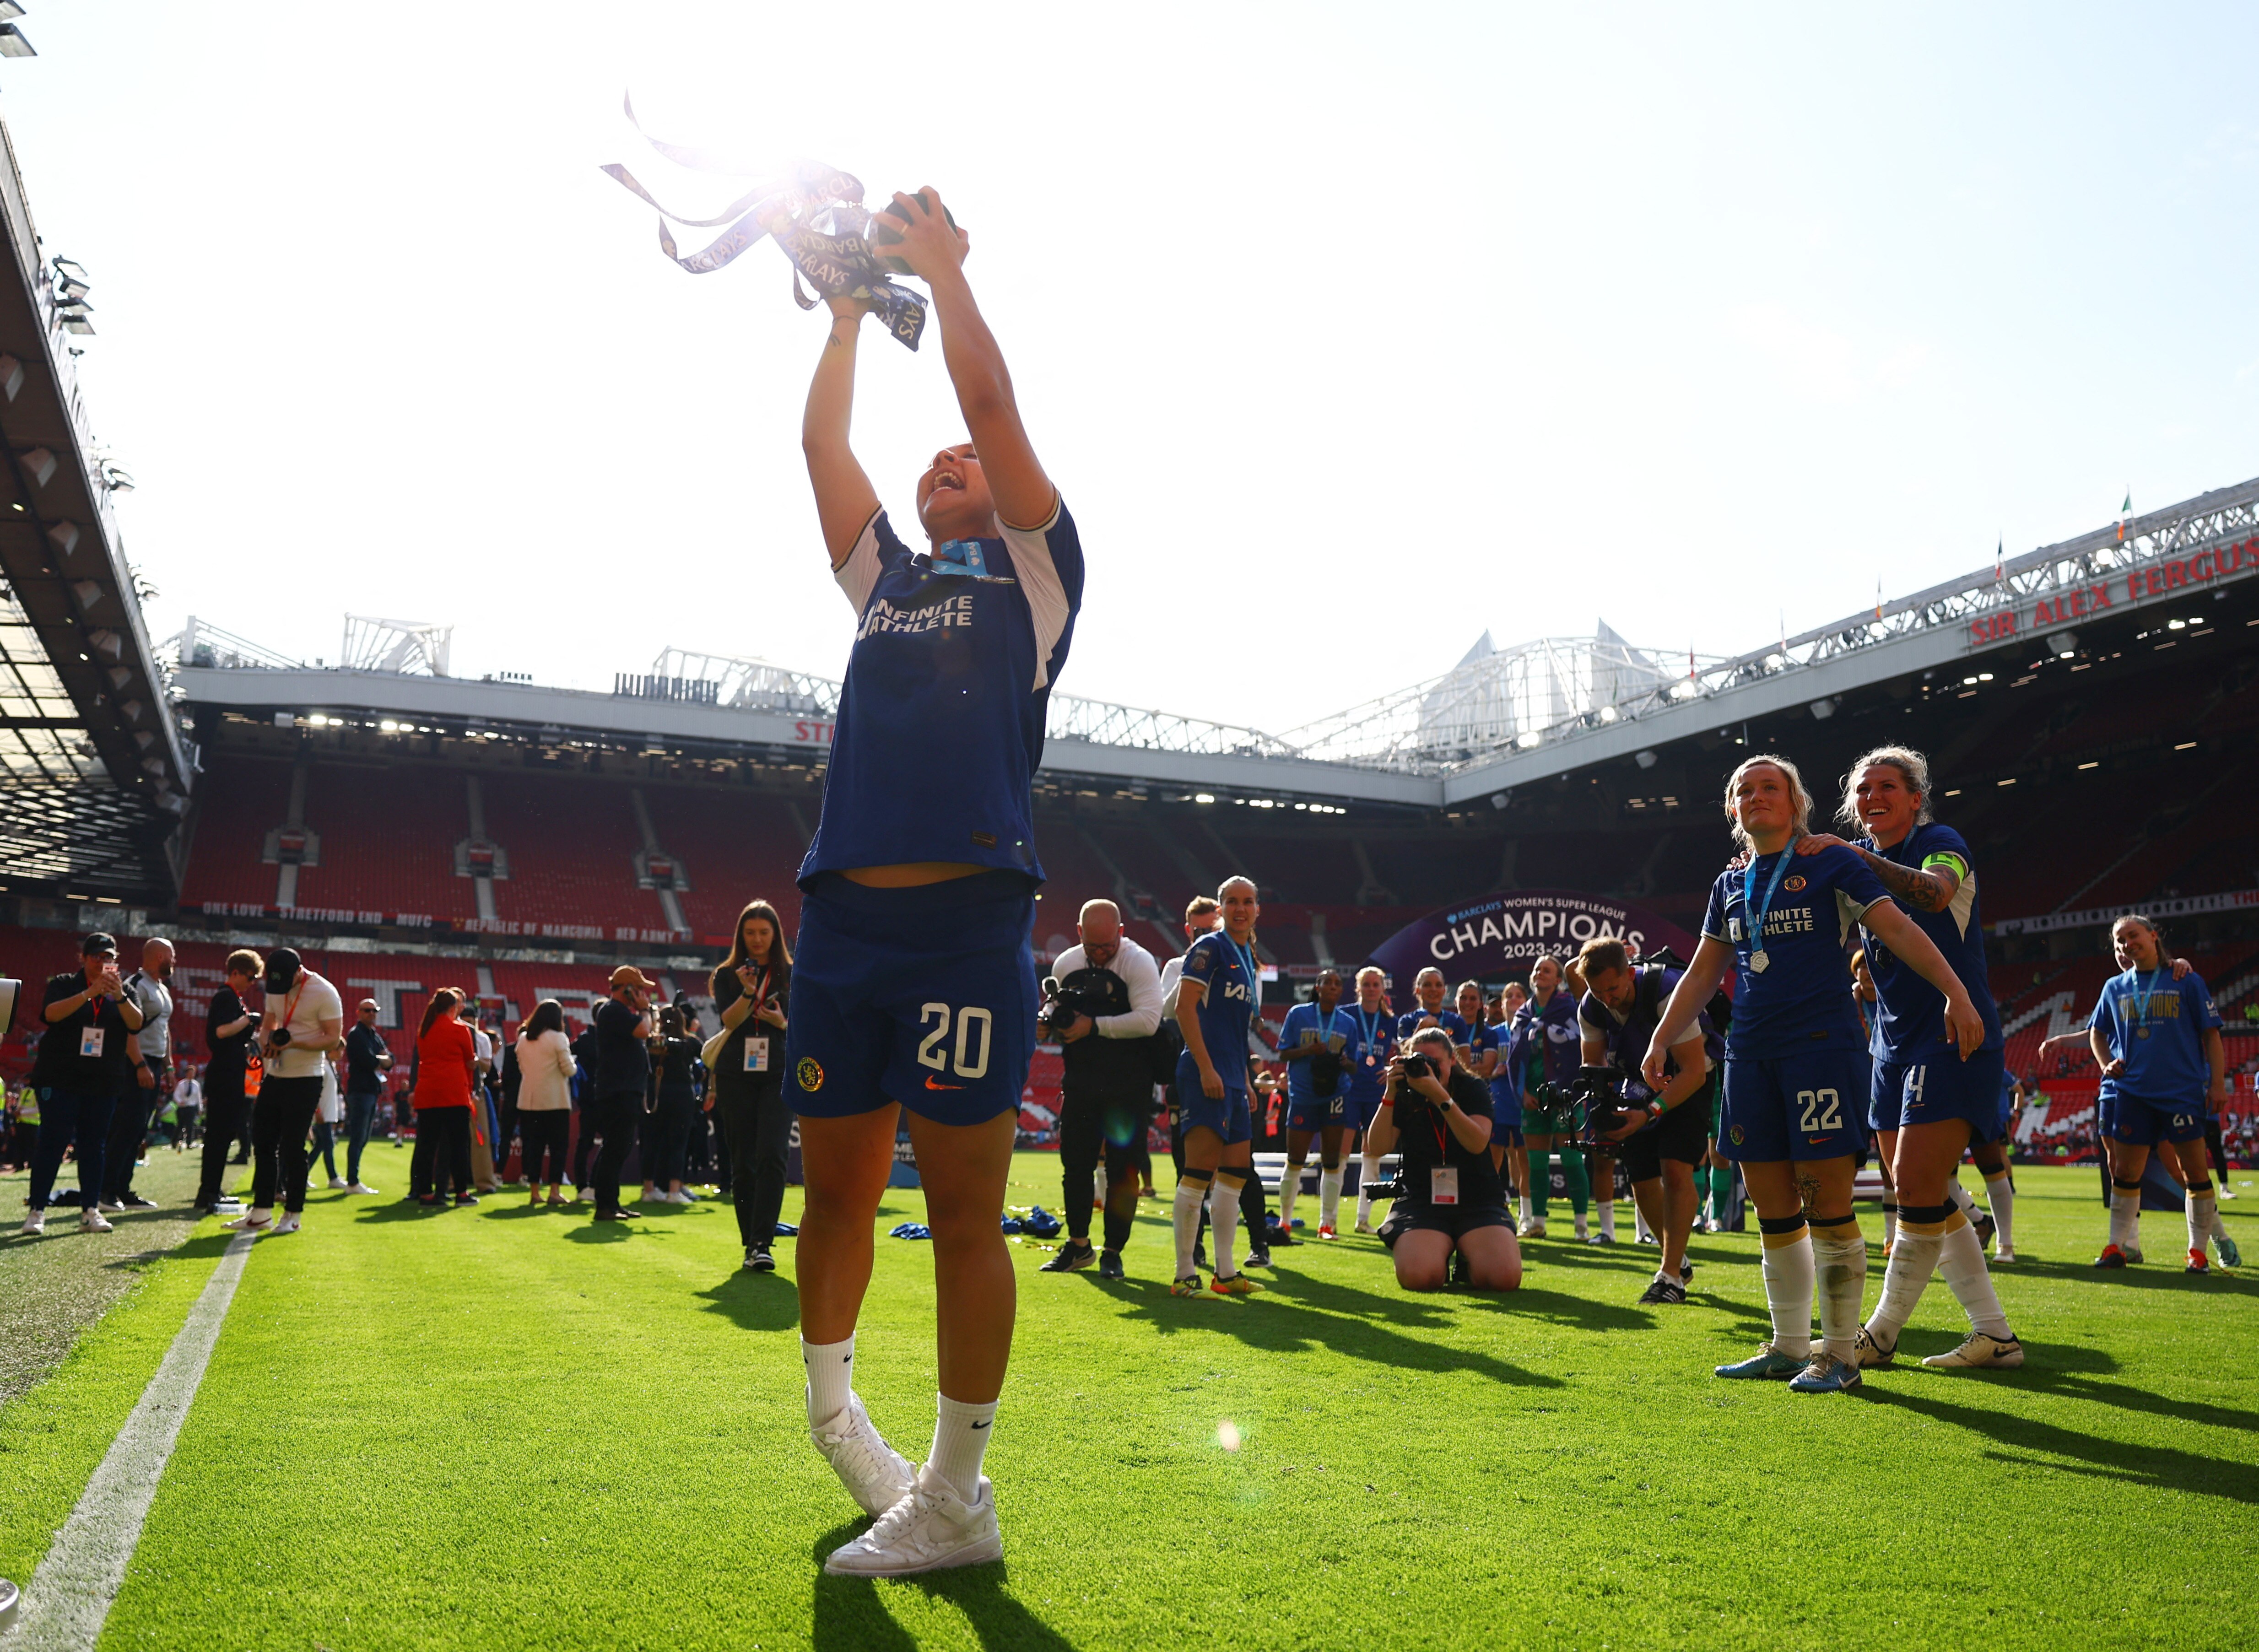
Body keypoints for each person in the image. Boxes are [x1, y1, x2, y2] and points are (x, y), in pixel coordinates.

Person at [784, 189, 1082, 1579]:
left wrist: (946, 274)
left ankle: (957, 1496)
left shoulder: (1033, 575)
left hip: (967, 923)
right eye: (941, 459)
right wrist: (845, 311)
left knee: (964, 1209)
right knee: (834, 1197)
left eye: (974, 457)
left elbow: (987, 395)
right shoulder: (886, 583)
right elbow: (819, 442)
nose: (955, 452)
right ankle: (843, 1426)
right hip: (843, 921)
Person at [1644, 753, 1984, 1396]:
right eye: (1744, 789)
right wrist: (1663, 1034)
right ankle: (1787, 1343)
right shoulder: (1729, 885)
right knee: (1772, 1204)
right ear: (1733, 810)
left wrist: (1955, 993)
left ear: (1795, 804)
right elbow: (1703, 972)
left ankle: (1839, 1354)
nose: (1756, 796)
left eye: (1770, 787)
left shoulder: (1831, 861)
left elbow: (1900, 929)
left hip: (1821, 1048)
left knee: (1827, 1202)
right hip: (1749, 1054)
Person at [1575, 937, 1719, 1304]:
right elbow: (1595, 1068)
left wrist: (1649, 1113)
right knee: (1639, 1176)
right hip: (1637, 1083)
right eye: (1597, 990)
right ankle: (1678, 1260)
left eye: (1612, 988)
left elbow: (1693, 1071)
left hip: (1689, 1077)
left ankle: (1669, 1276)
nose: (1607, 997)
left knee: (1675, 1169)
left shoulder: (1665, 990)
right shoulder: (1591, 1006)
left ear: (1630, 973)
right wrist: (1603, 1108)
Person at [2088, 914, 2232, 1274]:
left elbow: (2212, 1036)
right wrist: (2106, 1062)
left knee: (2194, 1171)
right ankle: (2116, 1247)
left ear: (2154, 936)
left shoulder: (2187, 980)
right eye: (2120, 940)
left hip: (2181, 1092)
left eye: (2133, 935)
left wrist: (2217, 1084)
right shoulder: (2115, 987)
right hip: (2132, 1093)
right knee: (2125, 1172)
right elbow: (2097, 1032)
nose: (2126, 944)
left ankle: (2197, 1253)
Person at [1040, 899, 1164, 1278]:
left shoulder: (1138, 961)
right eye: (1093, 947)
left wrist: (1092, 1026)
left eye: (1107, 947)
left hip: (1128, 1083)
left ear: (1121, 934)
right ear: (1080, 934)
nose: (1099, 954)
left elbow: (1149, 1020)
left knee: (1123, 1170)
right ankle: (1079, 1246)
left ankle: (1113, 1250)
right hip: (1081, 1078)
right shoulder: (1066, 963)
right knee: (1074, 1166)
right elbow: (1060, 1007)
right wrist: (1050, 1021)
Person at [1168, 875, 1273, 1301]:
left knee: (1234, 1175)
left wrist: (1244, 1080)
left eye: (1248, 901)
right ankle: (1184, 1275)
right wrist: (1209, 1069)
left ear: (1257, 909)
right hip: (1204, 1073)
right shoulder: (1208, 948)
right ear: (1221, 907)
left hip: (1233, 1077)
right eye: (1232, 902)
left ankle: (1226, 1273)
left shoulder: (1250, 955)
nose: (1240, 909)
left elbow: (1236, 1029)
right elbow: (1183, 1008)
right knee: (1197, 1175)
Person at [1365, 1027, 1521, 1290]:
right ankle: (1440, 1253)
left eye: (1434, 1062)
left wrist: (1440, 1097)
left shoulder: (1472, 1088)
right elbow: (1378, 1147)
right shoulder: (1405, 1092)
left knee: (1503, 1278)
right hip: (1422, 1199)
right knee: (1420, 1278)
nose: (1426, 1069)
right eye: (1419, 1061)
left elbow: (1477, 1143)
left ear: (1453, 1060)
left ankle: (1468, 1261)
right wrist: (1391, 1093)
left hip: (1477, 1198)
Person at [19, 933, 145, 1236]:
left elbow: (137, 1023)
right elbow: (50, 1014)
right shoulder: (64, 983)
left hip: (102, 1081)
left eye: (109, 958)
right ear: (84, 958)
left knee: (94, 1147)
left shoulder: (125, 990)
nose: (103, 963)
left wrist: (118, 996)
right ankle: (37, 1210)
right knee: (52, 1144)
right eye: (97, 957)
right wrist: (89, 994)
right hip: (60, 1077)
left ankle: (91, 1210)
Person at [222, 948, 344, 1236]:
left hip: (306, 1078)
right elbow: (268, 1024)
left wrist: (293, 1044)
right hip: (275, 1075)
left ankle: (293, 1213)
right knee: (263, 1143)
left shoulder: (325, 992)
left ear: (299, 973)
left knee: (293, 1148)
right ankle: (262, 1211)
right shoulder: (276, 988)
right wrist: (268, 1045)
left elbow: (332, 1039)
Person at [1510, 954, 1592, 1241]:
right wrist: (1520, 1091)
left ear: (1558, 979)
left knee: (1572, 1161)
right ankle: (1538, 1223)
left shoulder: (1570, 1009)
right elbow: (1513, 1058)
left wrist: (1572, 1090)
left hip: (1566, 1095)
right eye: (1536, 970)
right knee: (1536, 1164)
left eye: (1546, 970)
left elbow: (1580, 1047)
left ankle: (1582, 1225)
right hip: (1532, 1097)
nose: (1540, 974)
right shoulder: (1522, 1015)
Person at [1275, 968, 1355, 1247]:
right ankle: (1285, 1221)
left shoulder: (1348, 1022)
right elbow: (1283, 1052)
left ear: (1341, 991)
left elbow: (1354, 1064)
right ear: (1318, 988)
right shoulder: (1298, 1014)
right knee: (1295, 1159)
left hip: (1336, 1095)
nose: (1333, 987)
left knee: (1332, 1161)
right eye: (1327, 983)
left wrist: (1345, 1063)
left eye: (1337, 983)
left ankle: (1327, 1224)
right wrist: (1310, 1051)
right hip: (1303, 1095)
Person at [104, 937, 175, 1211]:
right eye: (172, 956)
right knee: (126, 1127)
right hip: (136, 1064)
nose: (175, 962)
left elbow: (164, 1030)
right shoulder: (136, 985)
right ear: (159, 957)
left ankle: (122, 1188)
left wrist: (168, 1065)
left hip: (154, 1064)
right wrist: (139, 1064)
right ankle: (106, 1189)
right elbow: (127, 1029)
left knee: (138, 1130)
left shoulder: (161, 989)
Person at [588, 966, 658, 1222]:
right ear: (627, 988)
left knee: (618, 1148)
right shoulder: (614, 1011)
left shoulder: (614, 1012)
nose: (642, 994)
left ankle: (611, 1203)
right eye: (638, 989)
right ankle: (605, 1205)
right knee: (616, 1148)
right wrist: (643, 1010)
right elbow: (644, 1030)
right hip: (618, 1091)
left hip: (621, 1089)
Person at [195, 951, 261, 1213]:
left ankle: (213, 1189)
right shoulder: (226, 997)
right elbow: (221, 1031)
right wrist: (249, 1020)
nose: (253, 981)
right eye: (250, 976)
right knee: (218, 1136)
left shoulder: (233, 998)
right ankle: (208, 1191)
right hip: (224, 1074)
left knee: (223, 1136)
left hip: (230, 1073)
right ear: (236, 973)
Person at [408, 988, 479, 1207]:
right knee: (459, 1145)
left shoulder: (424, 1030)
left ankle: (425, 1193)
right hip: (455, 1093)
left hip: (428, 1093)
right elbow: (470, 1059)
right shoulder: (460, 1030)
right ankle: (461, 1193)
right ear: (453, 1008)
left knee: (427, 1146)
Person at [513, 999, 577, 1207]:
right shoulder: (559, 1038)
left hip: (529, 1100)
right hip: (555, 1101)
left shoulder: (523, 1039)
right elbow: (569, 1070)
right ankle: (555, 1191)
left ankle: (534, 1192)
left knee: (534, 1148)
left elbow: (523, 1069)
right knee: (558, 1148)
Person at [642, 1004, 703, 1206]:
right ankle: (674, 1190)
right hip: (681, 1096)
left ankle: (650, 1188)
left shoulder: (654, 1041)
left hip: (656, 1095)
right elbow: (707, 1058)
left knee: (652, 1142)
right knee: (678, 1143)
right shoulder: (690, 1042)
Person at [340, 999, 392, 1194]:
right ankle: (352, 1182)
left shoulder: (373, 1035)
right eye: (367, 1010)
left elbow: (391, 1059)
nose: (372, 1014)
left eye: (374, 1011)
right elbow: (368, 1060)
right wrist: (381, 1060)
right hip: (361, 1091)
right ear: (359, 1012)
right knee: (358, 1136)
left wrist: (380, 1059)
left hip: (371, 1090)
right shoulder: (356, 1035)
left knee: (364, 1137)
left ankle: (353, 1180)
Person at [172, 1063, 202, 1153]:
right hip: (183, 1107)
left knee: (190, 1126)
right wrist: (179, 1101)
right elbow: (176, 1095)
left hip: (191, 1108)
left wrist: (200, 1108)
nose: (192, 1074)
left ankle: (189, 1143)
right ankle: (174, 1142)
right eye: (190, 1072)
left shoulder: (196, 1085)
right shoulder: (181, 1084)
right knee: (180, 1126)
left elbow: (198, 1097)